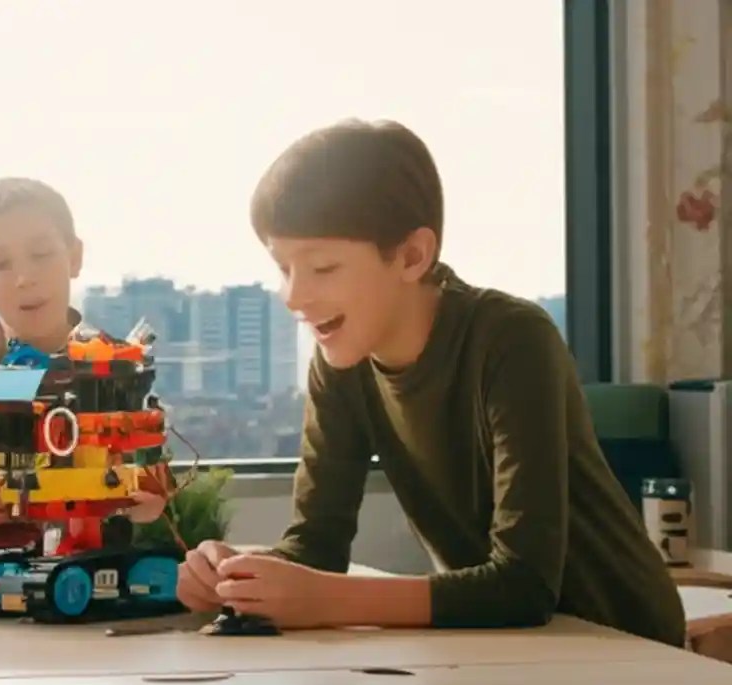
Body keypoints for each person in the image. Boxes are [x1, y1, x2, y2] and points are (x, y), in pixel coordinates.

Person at [176, 118, 687, 648]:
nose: (293, 296)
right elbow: (315, 549)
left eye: (323, 268)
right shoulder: (340, 363)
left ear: (412, 256)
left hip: (622, 639)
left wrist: (323, 598)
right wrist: (241, 575)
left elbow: (524, 584)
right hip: (506, 646)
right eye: (283, 268)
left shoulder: (512, 338)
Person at [0, 177, 168, 552]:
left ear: (74, 257)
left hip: (97, 573)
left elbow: (152, 476)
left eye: (41, 255)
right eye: (0, 263)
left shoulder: (117, 366)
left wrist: (145, 504)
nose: (25, 278)